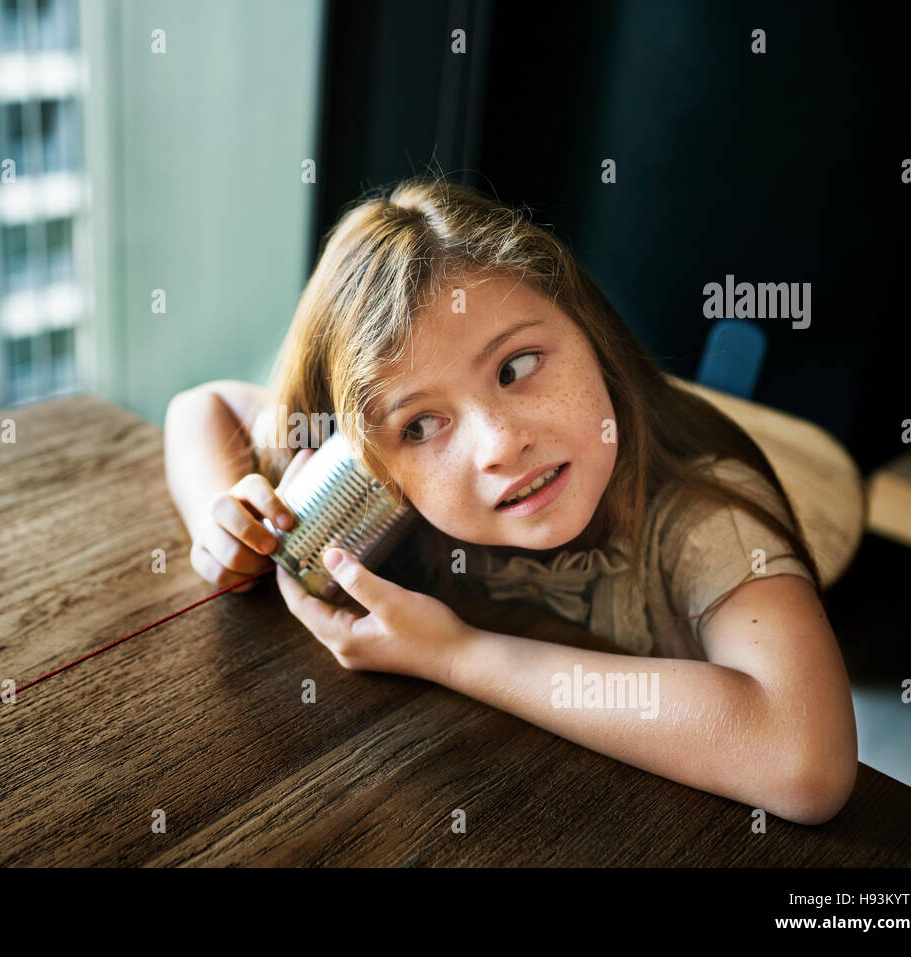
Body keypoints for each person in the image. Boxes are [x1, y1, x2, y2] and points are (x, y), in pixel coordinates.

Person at [163, 177, 857, 825]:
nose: (499, 443)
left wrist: (454, 654)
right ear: (364, 462)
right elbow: (204, 405)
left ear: (590, 332)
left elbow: (804, 762)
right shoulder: (389, 492)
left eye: (515, 366)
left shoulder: (706, 515)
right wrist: (223, 519)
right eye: (420, 424)